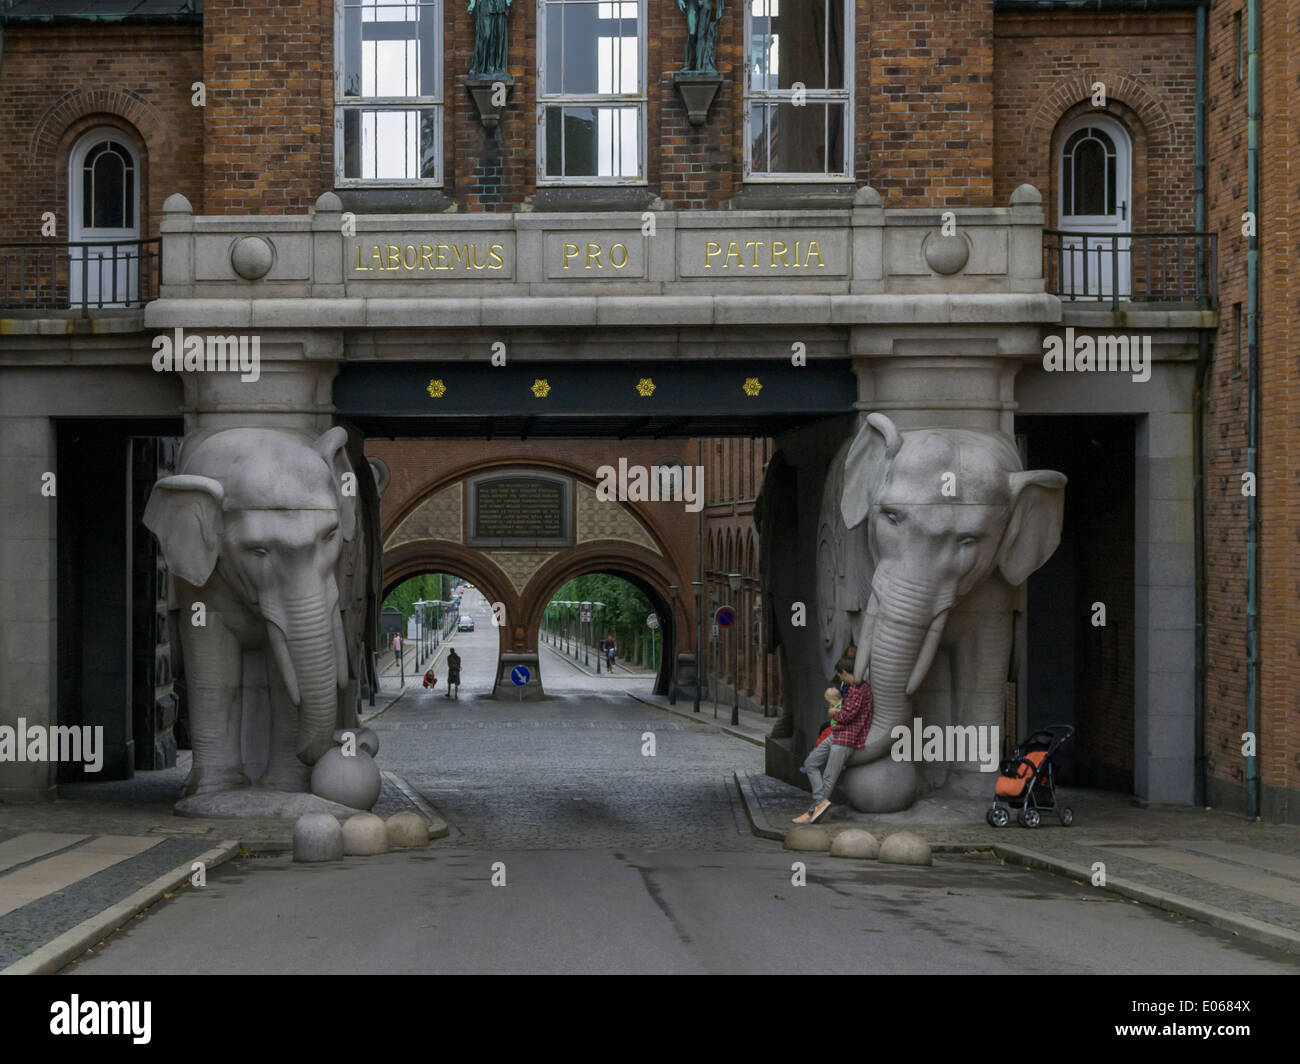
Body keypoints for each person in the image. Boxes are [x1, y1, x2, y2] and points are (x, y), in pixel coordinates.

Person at [794, 655, 873, 824]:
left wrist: (833, 713)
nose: (840, 679)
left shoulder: (860, 689)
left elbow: (847, 715)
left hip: (846, 738)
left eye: (840, 675)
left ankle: (812, 813)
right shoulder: (852, 688)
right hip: (836, 733)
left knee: (829, 778)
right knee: (810, 763)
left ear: (845, 672)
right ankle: (819, 803)